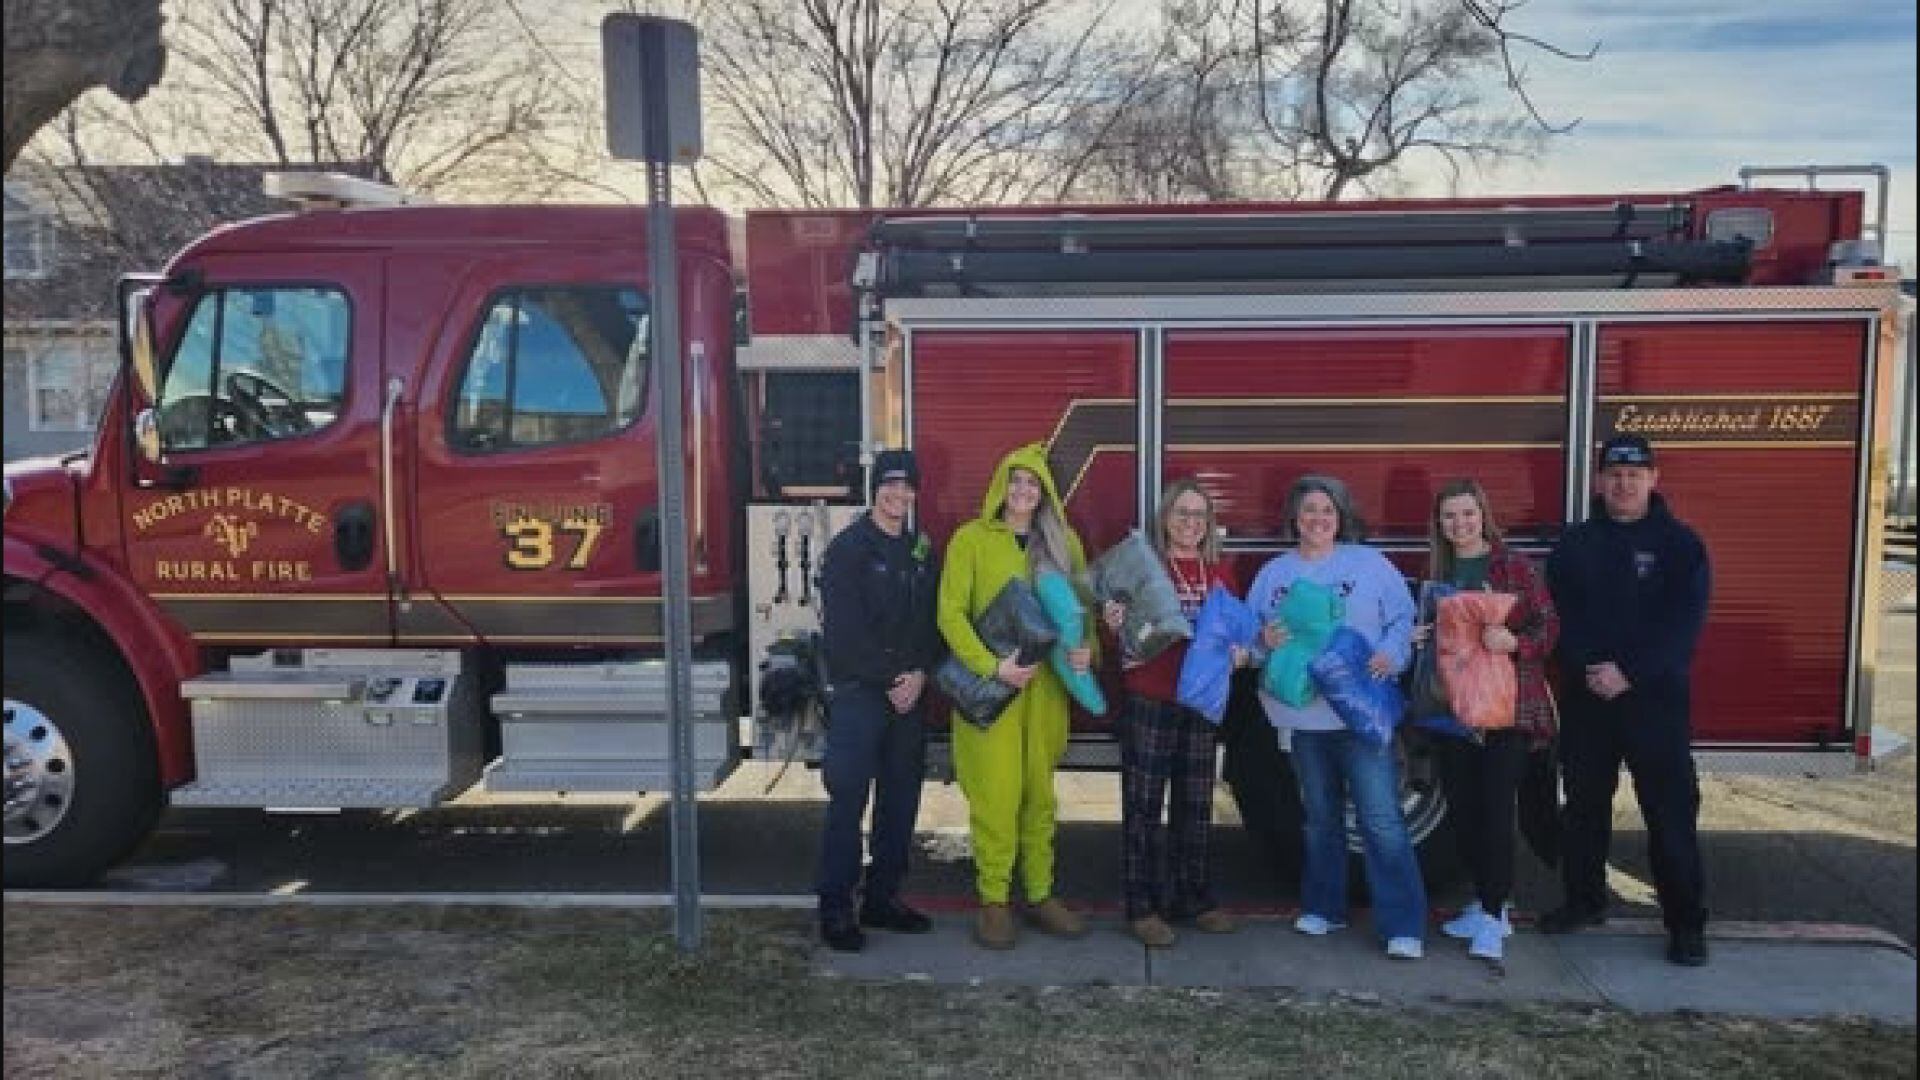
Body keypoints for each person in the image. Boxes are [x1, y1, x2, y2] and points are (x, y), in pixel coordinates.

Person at [1542, 434, 1712, 966]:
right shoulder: (1575, 544)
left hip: (1654, 703)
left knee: (1669, 815)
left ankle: (1686, 926)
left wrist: (1628, 672)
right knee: (1584, 810)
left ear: (1654, 479)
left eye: (1635, 474)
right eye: (1614, 474)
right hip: (1588, 698)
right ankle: (1583, 902)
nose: (1624, 483)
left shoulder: (1682, 545)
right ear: (1599, 481)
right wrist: (1591, 668)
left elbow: (1682, 626)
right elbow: (1557, 616)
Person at [1244, 475, 1426, 960]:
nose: (1318, 520)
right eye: (1308, 512)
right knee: (1320, 819)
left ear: (1341, 517)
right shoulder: (1273, 574)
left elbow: (1403, 619)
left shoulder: (1368, 563)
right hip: (1303, 721)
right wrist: (1264, 642)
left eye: (1327, 511)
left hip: (1360, 718)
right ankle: (1324, 907)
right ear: (1293, 520)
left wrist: (1392, 654)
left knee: (1382, 820)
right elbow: (1252, 639)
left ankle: (1402, 925)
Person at [938, 443, 1092, 950]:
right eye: (1015, 480)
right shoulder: (972, 540)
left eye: (1034, 483)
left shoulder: (1063, 543)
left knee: (1039, 796)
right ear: (1001, 486)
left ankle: (1042, 894)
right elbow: (950, 614)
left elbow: (1082, 615)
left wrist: (1085, 652)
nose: (1023, 491)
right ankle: (994, 901)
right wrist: (992, 667)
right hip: (993, 689)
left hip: (1044, 692)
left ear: (1046, 493)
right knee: (995, 798)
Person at [1417, 479, 1560, 966]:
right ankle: (1482, 901)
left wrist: (1516, 643)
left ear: (1484, 515)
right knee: (1463, 809)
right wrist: (1422, 636)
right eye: (1450, 516)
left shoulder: (1513, 566)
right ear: (1439, 523)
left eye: (1468, 514)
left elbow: (1548, 625)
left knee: (1497, 811)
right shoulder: (1439, 571)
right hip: (1452, 710)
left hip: (1505, 708)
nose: (1460, 524)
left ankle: (1496, 915)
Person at [1100, 479, 1245, 948]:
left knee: (1196, 804)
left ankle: (1192, 897)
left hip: (1200, 703)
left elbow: (1240, 633)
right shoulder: (1144, 567)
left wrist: (1243, 652)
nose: (1190, 523)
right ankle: (1141, 906)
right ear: (1165, 520)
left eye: (1199, 515)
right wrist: (1111, 624)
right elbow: (1115, 634)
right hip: (1151, 697)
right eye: (1182, 514)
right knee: (1143, 806)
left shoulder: (1221, 573)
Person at [813, 449, 944, 952]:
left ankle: (882, 899)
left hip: (908, 695)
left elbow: (933, 622)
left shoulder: (920, 551)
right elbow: (842, 635)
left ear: (915, 492)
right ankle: (836, 907)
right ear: (875, 490)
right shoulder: (848, 550)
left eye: (907, 485)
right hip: (861, 694)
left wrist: (920, 672)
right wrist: (894, 676)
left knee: (899, 801)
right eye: (889, 484)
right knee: (848, 800)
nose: (898, 494)